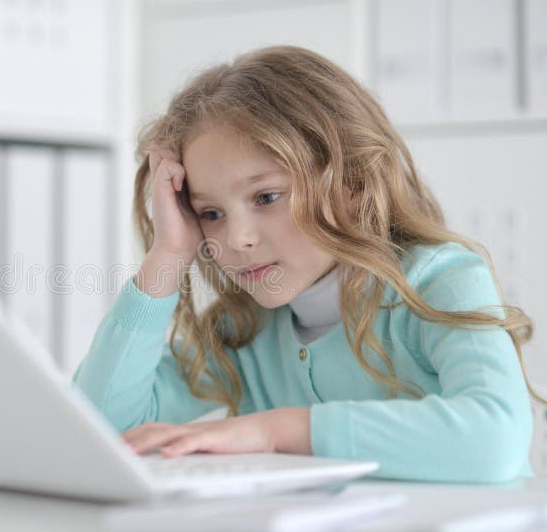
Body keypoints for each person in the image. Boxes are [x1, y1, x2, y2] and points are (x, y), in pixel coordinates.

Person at [71, 45, 538, 483]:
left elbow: (495, 439)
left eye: (266, 197)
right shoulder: (246, 334)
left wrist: (276, 432)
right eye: (211, 213)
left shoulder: (440, 282)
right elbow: (98, 431)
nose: (237, 238)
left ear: (352, 184)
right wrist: (168, 255)